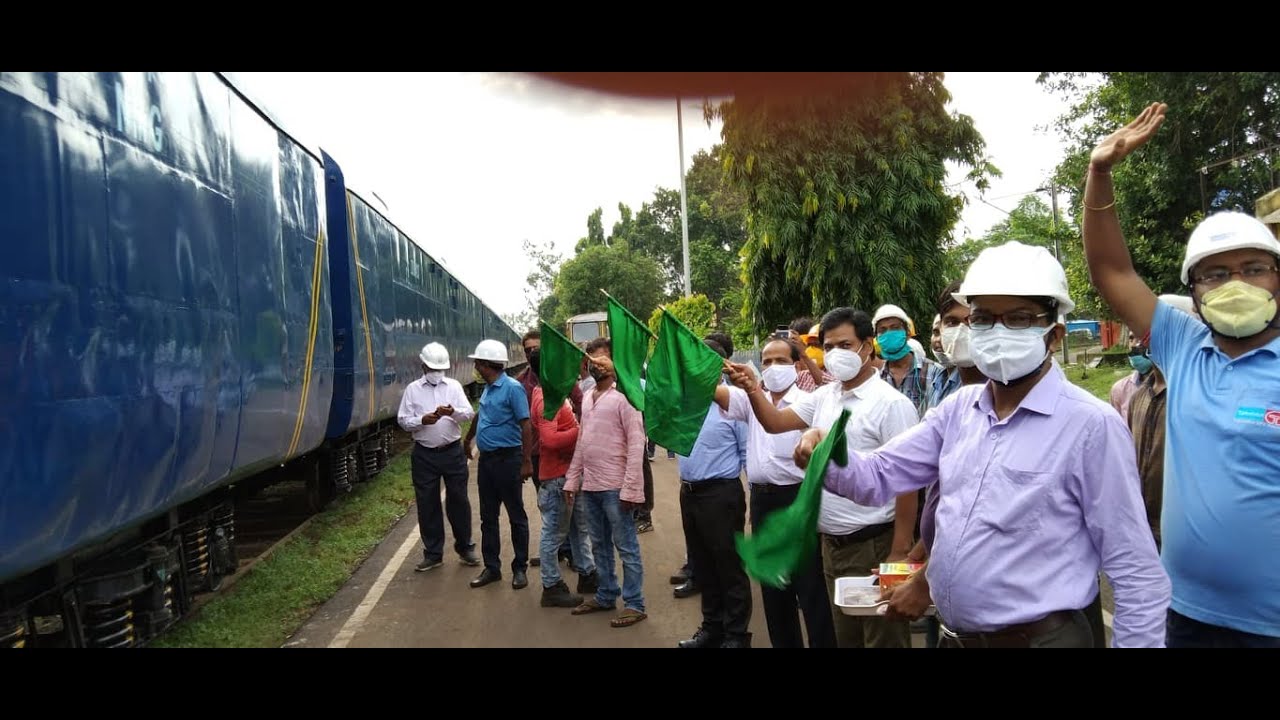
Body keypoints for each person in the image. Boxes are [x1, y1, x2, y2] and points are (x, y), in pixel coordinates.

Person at [800, 241, 1171, 647]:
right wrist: (825, 455)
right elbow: (877, 476)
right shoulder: (957, 411)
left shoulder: (1090, 426)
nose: (997, 331)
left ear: (1054, 334)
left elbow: (1135, 571)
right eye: (982, 318)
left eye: (1018, 318)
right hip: (956, 637)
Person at [1081, 101, 1280, 647]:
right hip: (1187, 615)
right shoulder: (1184, 347)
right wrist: (1099, 173)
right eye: (1215, 274)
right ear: (1194, 289)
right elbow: (1111, 270)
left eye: (1253, 269)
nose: (1235, 284)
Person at [724, 309, 919, 648]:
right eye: (829, 347)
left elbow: (908, 481)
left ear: (867, 346)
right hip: (832, 547)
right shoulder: (826, 396)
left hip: (874, 545)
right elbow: (775, 422)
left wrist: (900, 551)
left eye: (845, 345)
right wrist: (752, 388)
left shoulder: (891, 404)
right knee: (846, 638)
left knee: (882, 639)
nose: (835, 353)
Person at [712, 338, 837, 648]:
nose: (772, 367)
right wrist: (705, 362)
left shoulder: (809, 402)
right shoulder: (751, 400)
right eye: (766, 361)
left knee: (810, 586)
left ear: (796, 365)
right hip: (763, 501)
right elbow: (712, 390)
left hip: (799, 499)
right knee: (773, 587)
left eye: (780, 361)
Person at [564, 338, 648, 628]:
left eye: (601, 360)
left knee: (626, 546)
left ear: (615, 363)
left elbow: (637, 443)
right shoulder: (588, 397)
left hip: (616, 487)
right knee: (599, 544)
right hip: (591, 486)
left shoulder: (626, 396)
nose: (595, 365)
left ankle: (634, 603)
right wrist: (572, 479)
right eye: (591, 360)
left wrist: (632, 488)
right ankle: (606, 594)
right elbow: (582, 441)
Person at [396, 342, 480, 571]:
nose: (436, 373)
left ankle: (465, 547)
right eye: (432, 369)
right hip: (424, 454)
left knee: (458, 500)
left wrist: (452, 412)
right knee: (427, 503)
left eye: (439, 369)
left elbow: (468, 413)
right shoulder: (412, 390)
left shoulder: (453, 386)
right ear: (423, 366)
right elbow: (403, 420)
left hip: (452, 452)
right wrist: (422, 420)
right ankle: (433, 553)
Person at [463, 339, 533, 590]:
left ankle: (520, 568)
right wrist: (468, 439)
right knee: (488, 516)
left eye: (477, 363)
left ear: (486, 364)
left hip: (508, 460)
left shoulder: (512, 388)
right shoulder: (489, 389)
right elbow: (482, 415)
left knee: (516, 515)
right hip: (488, 462)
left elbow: (526, 425)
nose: (475, 368)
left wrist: (526, 461)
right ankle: (492, 568)